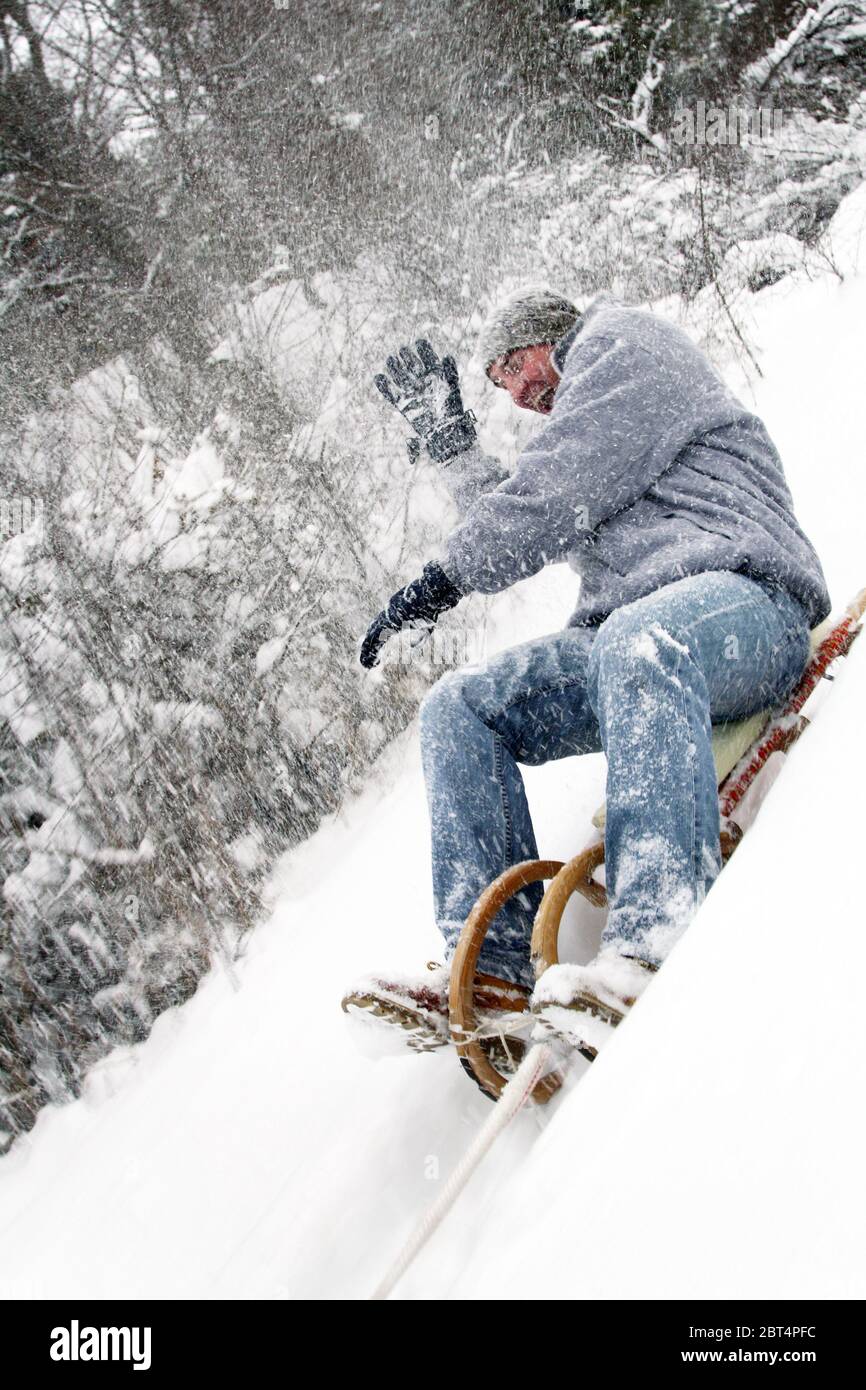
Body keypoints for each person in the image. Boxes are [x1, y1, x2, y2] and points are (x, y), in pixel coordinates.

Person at [343, 288, 830, 1061]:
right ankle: (494, 968)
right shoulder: (591, 437)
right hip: (631, 647)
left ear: (553, 334)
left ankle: (649, 936)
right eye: (500, 383)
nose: (515, 389)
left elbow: (552, 490)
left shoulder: (625, 346)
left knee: (637, 640)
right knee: (460, 708)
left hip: (749, 607)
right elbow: (528, 503)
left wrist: (439, 582)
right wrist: (453, 452)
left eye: (515, 363)